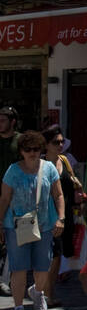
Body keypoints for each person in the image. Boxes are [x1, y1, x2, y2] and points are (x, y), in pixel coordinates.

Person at [0, 130, 65, 310]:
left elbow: (58, 195)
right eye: (28, 149)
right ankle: (19, 307)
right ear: (21, 151)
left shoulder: (49, 169)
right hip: (17, 225)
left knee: (42, 267)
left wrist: (60, 218)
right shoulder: (13, 171)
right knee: (18, 268)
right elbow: (4, 199)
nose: (32, 153)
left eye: (36, 149)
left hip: (44, 225)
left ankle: (37, 292)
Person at [43, 125, 87, 306]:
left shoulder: (65, 161)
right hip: (47, 217)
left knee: (57, 257)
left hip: (66, 215)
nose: (60, 145)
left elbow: (74, 185)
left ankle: (47, 293)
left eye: (62, 141)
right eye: (56, 142)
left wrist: (80, 199)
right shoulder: (42, 165)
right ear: (46, 144)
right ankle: (47, 294)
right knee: (53, 256)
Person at [0, 108, 19, 296]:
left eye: (3, 119)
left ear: (12, 121)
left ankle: (6, 279)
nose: (0, 123)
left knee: (13, 237)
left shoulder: (20, 141)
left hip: (15, 196)